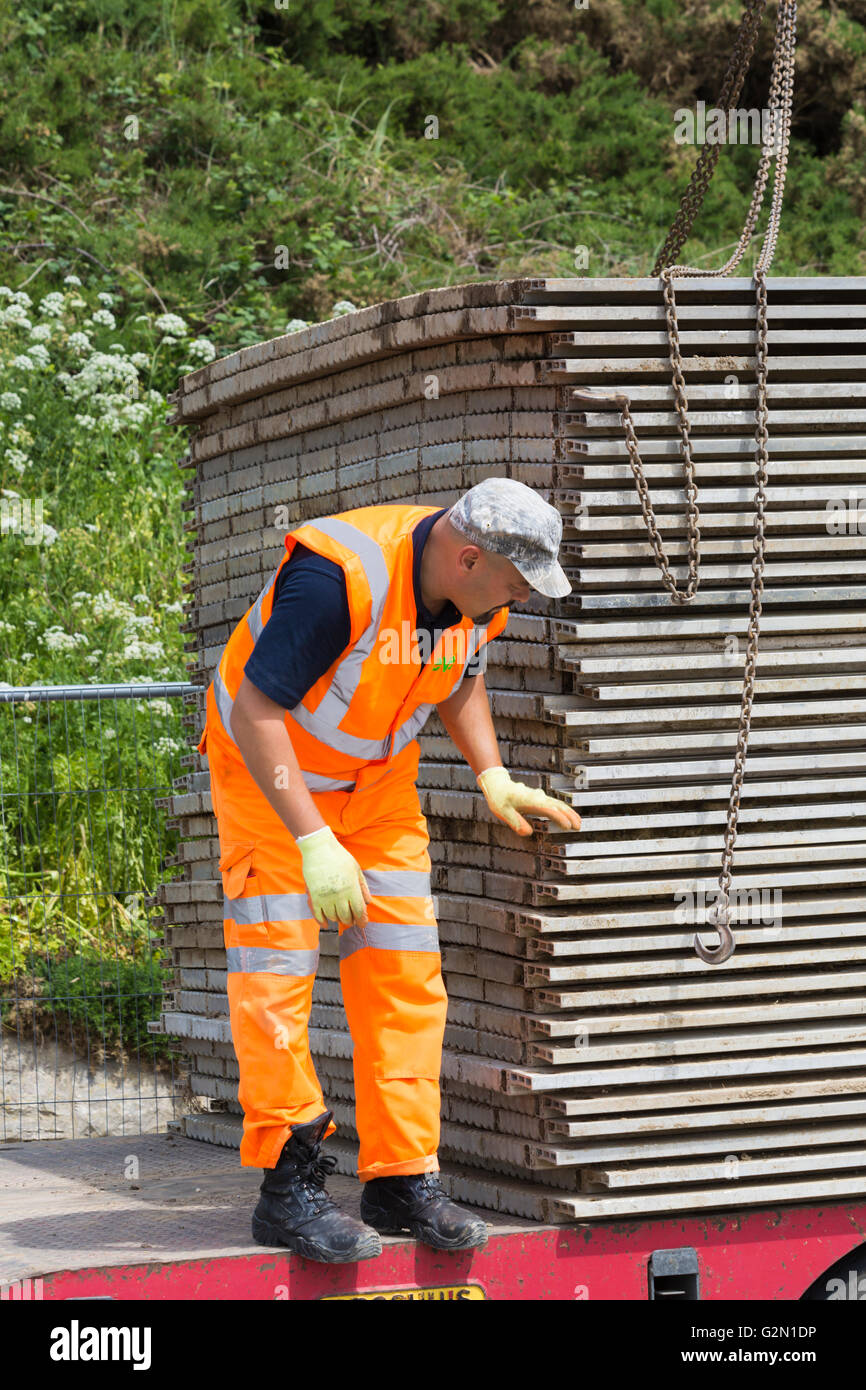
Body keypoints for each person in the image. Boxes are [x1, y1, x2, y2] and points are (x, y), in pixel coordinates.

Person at [196, 476, 582, 1263]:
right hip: (271, 781)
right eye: (513, 584)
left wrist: (491, 772)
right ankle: (289, 1178)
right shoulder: (337, 578)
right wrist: (310, 837)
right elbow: (255, 712)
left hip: (375, 788)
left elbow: (461, 672)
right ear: (469, 557)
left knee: (406, 974)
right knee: (276, 973)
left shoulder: (476, 599)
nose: (519, 601)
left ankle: (402, 1178)